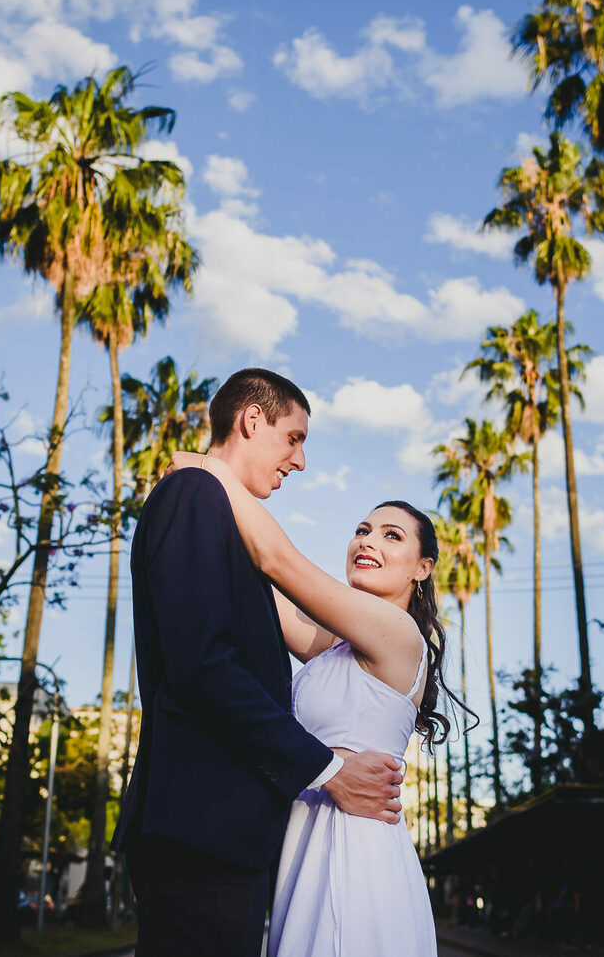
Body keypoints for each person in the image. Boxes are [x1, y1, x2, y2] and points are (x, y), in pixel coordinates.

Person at [112, 368, 405, 957]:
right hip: (203, 827)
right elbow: (203, 667)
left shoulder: (218, 514)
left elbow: (281, 589)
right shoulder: (193, 495)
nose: (300, 462)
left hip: (225, 834)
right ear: (252, 420)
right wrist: (328, 770)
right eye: (294, 438)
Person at [170, 446, 471, 957]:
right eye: (362, 531)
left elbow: (276, 560)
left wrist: (210, 469)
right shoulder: (331, 645)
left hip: (353, 851)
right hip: (304, 845)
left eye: (390, 536)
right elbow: (259, 583)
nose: (367, 542)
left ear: (422, 568)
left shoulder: (398, 632)